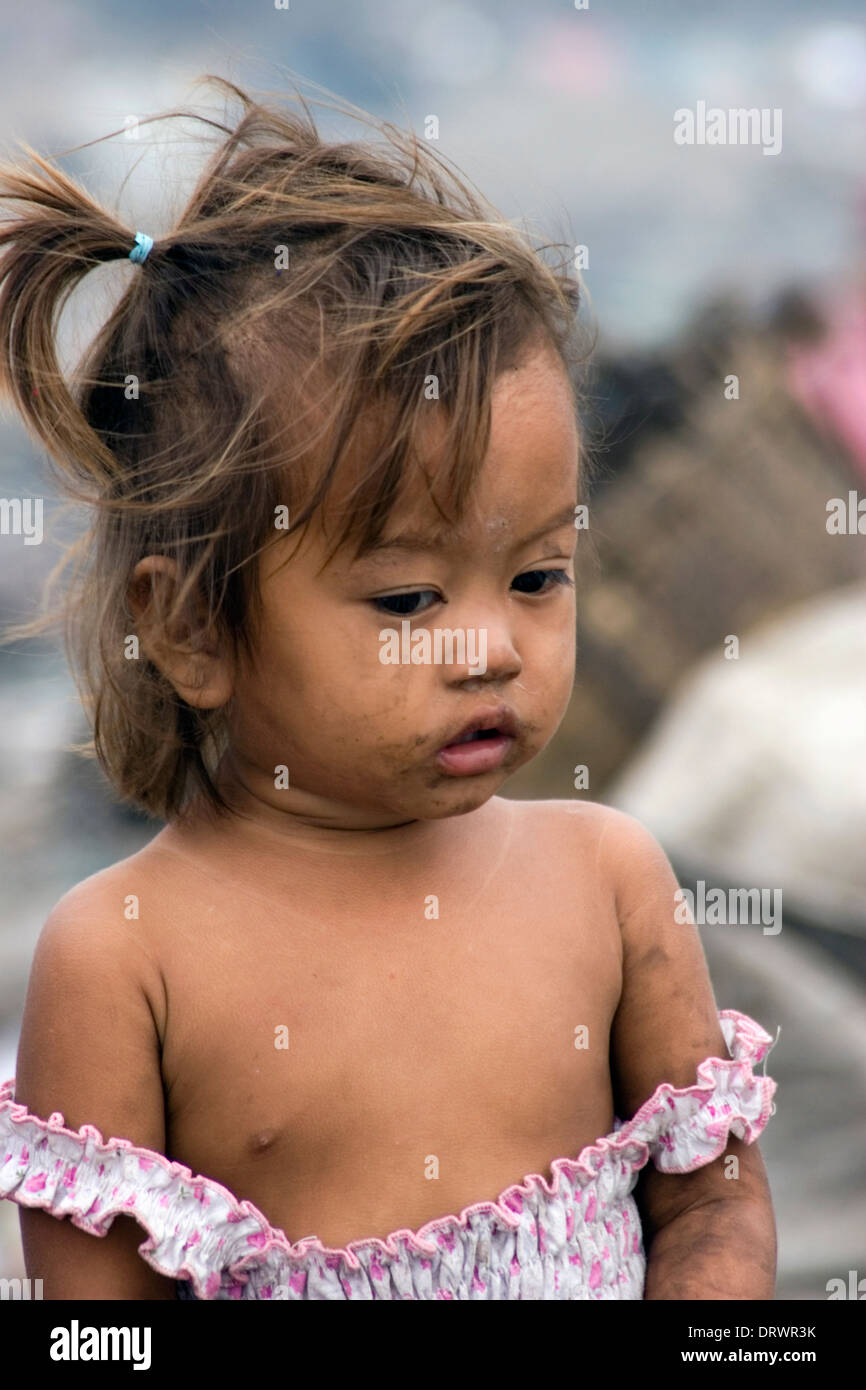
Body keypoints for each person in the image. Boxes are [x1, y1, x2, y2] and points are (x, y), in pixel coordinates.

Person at [0, 75, 777, 1300]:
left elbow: (708, 1196)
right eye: (408, 600)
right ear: (194, 628)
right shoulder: (121, 961)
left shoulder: (606, 882)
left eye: (536, 576)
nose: (489, 648)